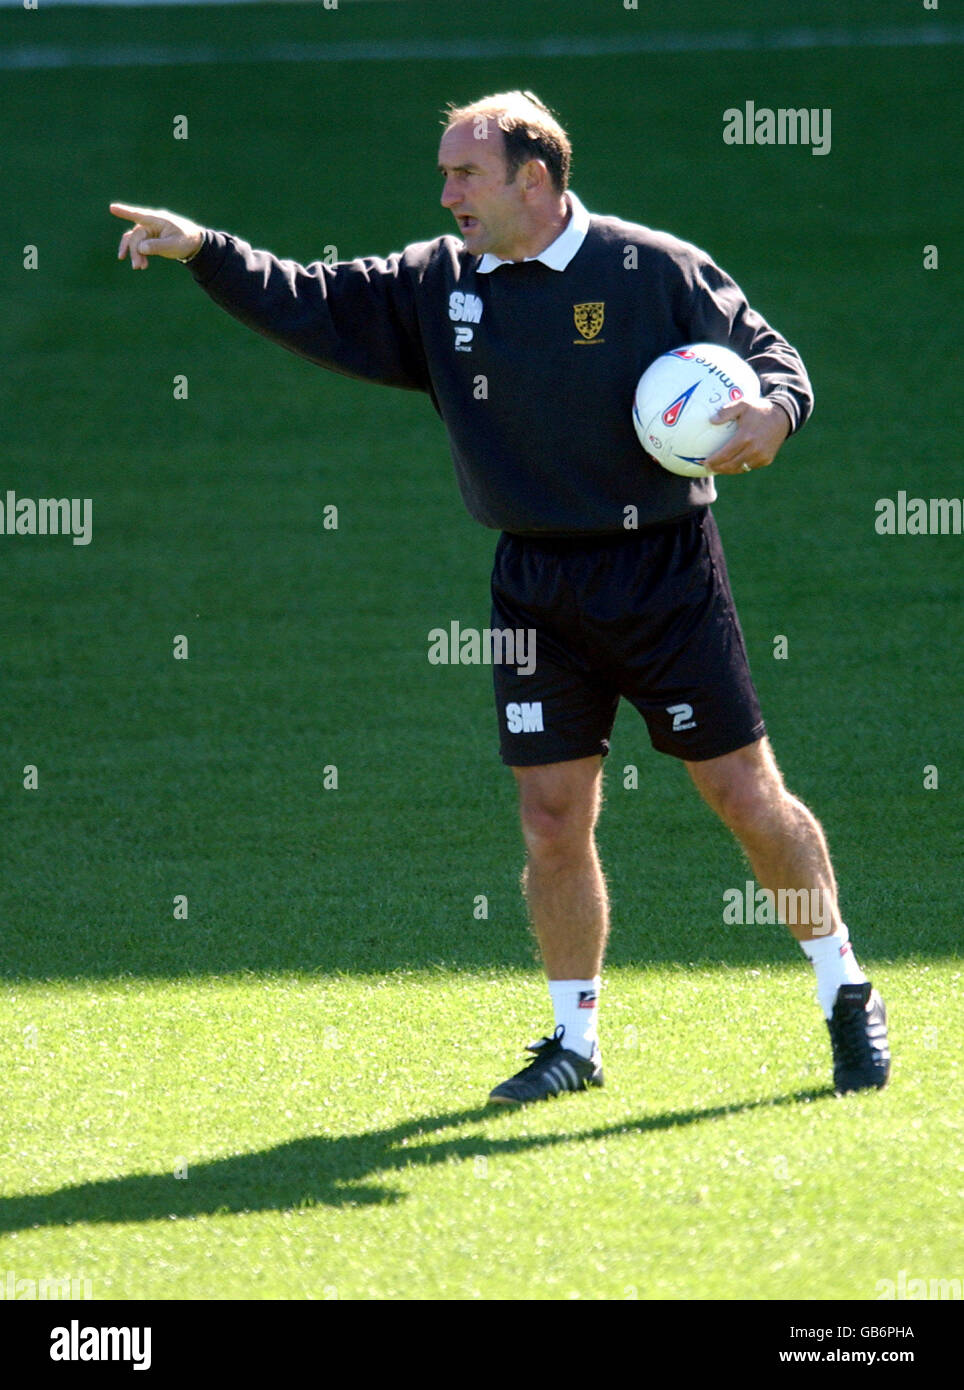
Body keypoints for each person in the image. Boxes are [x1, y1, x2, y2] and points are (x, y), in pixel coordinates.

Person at [110, 90, 890, 1105]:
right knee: (550, 816)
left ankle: (843, 988)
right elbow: (310, 297)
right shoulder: (437, 283)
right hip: (533, 582)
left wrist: (774, 414)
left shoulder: (648, 268)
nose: (445, 193)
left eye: (463, 174)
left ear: (534, 178)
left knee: (742, 796)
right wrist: (204, 247)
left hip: (660, 571)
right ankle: (574, 1040)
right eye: (443, 174)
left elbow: (773, 356)